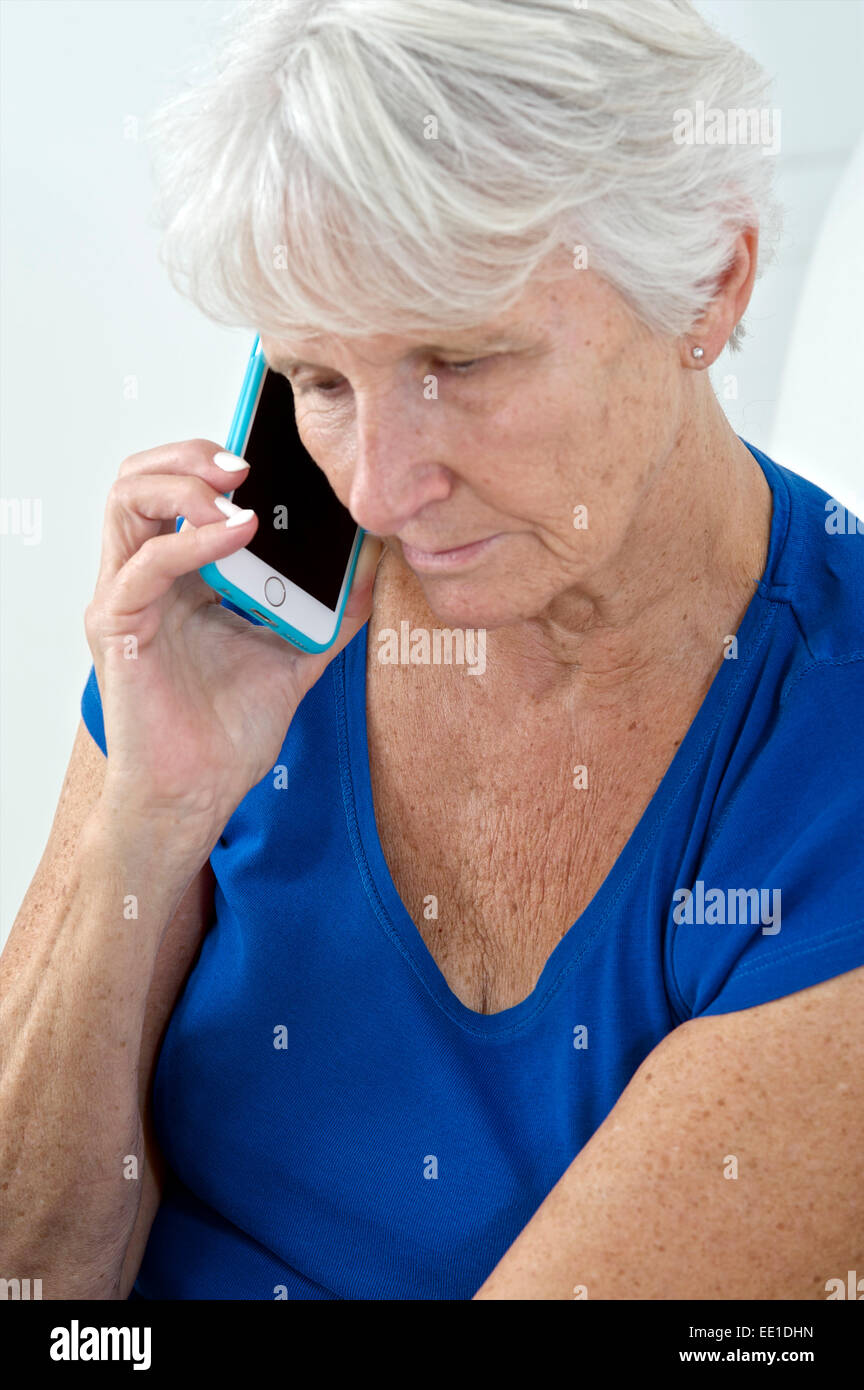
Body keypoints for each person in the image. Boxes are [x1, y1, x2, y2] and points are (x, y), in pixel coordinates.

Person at [2, 0, 862, 1301]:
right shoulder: (246, 604)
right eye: (321, 380)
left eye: (461, 359)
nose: (380, 493)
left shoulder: (823, 770)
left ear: (710, 283)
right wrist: (152, 810)